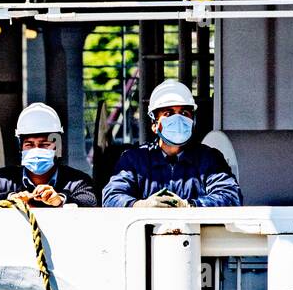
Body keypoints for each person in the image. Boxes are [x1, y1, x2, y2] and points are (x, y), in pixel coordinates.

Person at [102, 79, 241, 208]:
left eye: (184, 113)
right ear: (154, 124)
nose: (178, 119)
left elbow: (231, 196)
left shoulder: (209, 159)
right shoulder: (134, 160)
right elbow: (111, 197)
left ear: (193, 121)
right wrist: (141, 206)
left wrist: (189, 205)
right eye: (169, 114)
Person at [0, 102, 97, 208]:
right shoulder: (3, 179)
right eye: (29, 145)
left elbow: (90, 201)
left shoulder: (76, 181)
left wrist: (60, 200)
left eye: (45, 144)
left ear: (57, 147)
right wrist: (10, 198)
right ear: (21, 147)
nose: (36, 150)